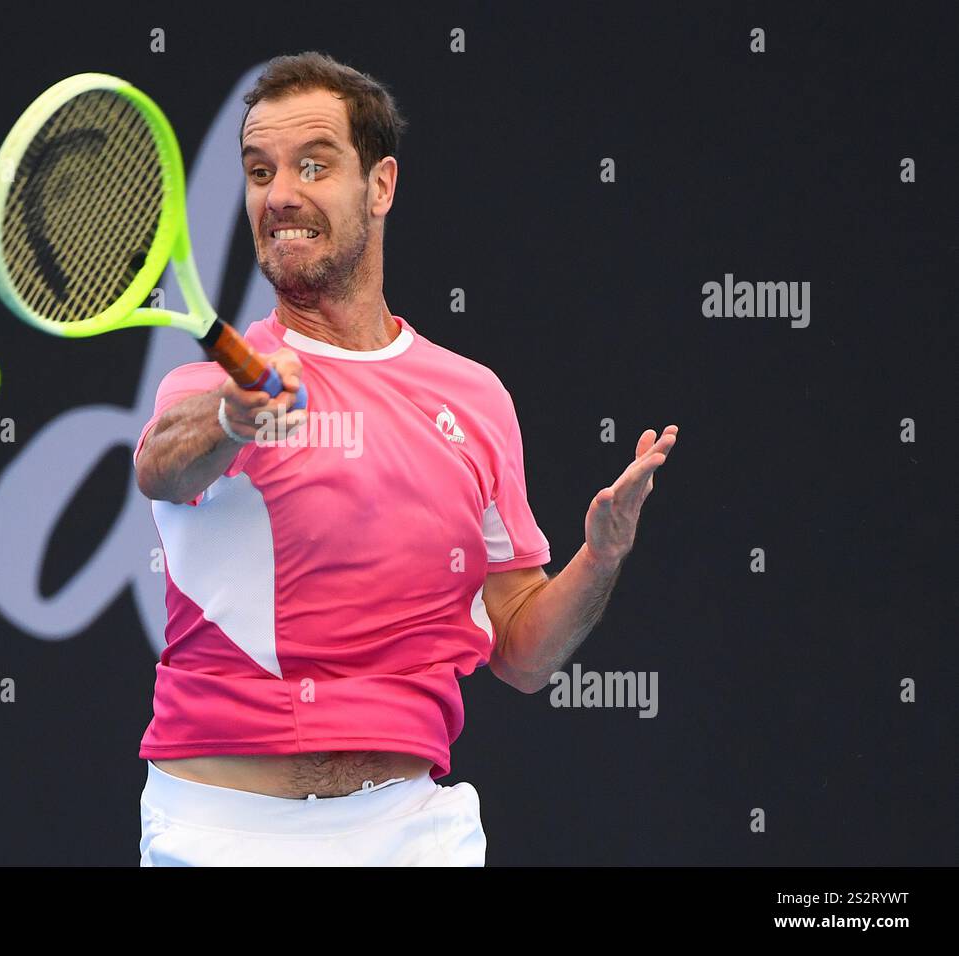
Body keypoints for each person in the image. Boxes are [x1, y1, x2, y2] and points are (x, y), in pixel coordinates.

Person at [133, 51, 678, 866]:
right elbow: (163, 465)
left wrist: (600, 558)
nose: (279, 193)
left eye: (313, 164)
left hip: (411, 833)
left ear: (380, 186)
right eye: (259, 170)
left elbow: (523, 652)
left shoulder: (475, 399)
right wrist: (230, 417)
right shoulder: (209, 384)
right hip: (217, 832)